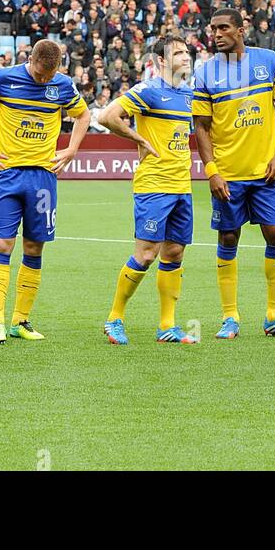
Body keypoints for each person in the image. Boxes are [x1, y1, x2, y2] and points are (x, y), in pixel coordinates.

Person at [0, 40, 90, 344]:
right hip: (8, 175)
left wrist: (71, 149)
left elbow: (83, 115)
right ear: (29, 59)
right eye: (39, 73)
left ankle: (20, 320)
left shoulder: (63, 85)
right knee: (2, 243)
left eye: (49, 76)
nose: (43, 80)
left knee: (34, 247)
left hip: (44, 177)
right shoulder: (5, 77)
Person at [191, 7, 275, 341]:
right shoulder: (206, 72)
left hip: (266, 171)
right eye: (213, 29)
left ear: (242, 29)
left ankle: (274, 315)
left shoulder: (268, 60)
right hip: (228, 173)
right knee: (228, 237)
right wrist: (211, 171)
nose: (217, 34)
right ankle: (230, 317)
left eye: (224, 27)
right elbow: (201, 125)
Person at [98, 36, 198, 344]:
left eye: (187, 52)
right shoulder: (148, 90)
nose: (186, 57)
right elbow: (106, 116)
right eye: (178, 53)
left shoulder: (188, 95)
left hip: (182, 184)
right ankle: (114, 318)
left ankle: (167, 325)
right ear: (162, 62)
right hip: (154, 184)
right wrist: (137, 139)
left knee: (175, 252)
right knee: (145, 253)